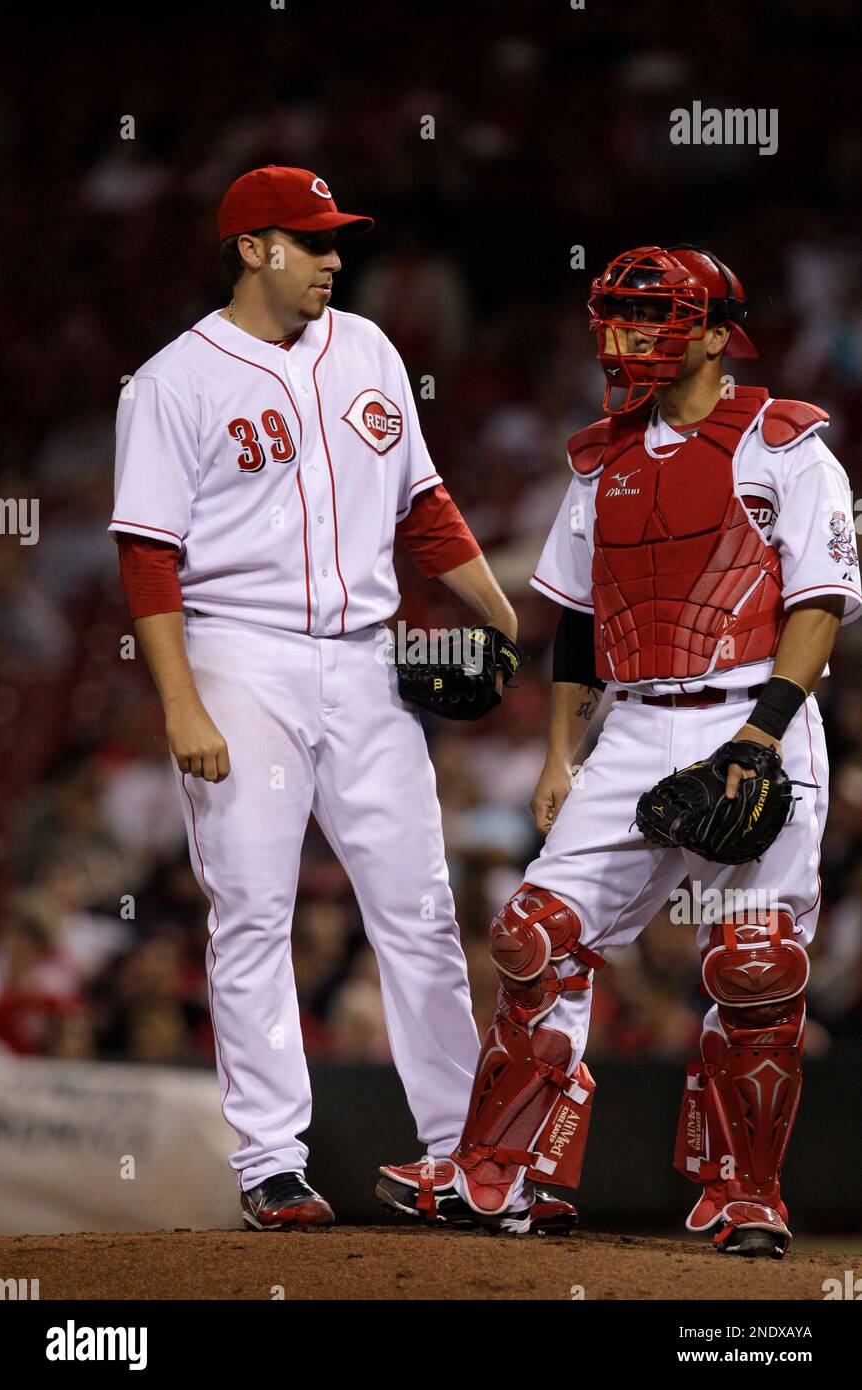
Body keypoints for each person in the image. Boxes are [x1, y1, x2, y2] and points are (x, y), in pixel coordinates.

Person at [378, 244, 861, 1256]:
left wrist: (759, 737)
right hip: (633, 723)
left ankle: (745, 1193)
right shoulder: (598, 458)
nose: (621, 339)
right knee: (532, 935)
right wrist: (560, 752)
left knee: (755, 961)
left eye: (649, 318)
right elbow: (576, 620)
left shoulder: (787, 445)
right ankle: (504, 1175)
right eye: (613, 317)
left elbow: (817, 604)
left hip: (752, 710)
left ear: (716, 333)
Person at [110, 164, 523, 1230]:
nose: (334, 258)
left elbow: (421, 504)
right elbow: (149, 559)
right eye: (311, 240)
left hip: (365, 658)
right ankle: (270, 1163)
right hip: (236, 655)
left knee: (421, 909)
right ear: (253, 249)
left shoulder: (371, 348)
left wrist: (493, 609)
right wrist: (181, 705)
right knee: (252, 909)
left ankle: (461, 1152)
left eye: (337, 239)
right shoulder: (173, 380)